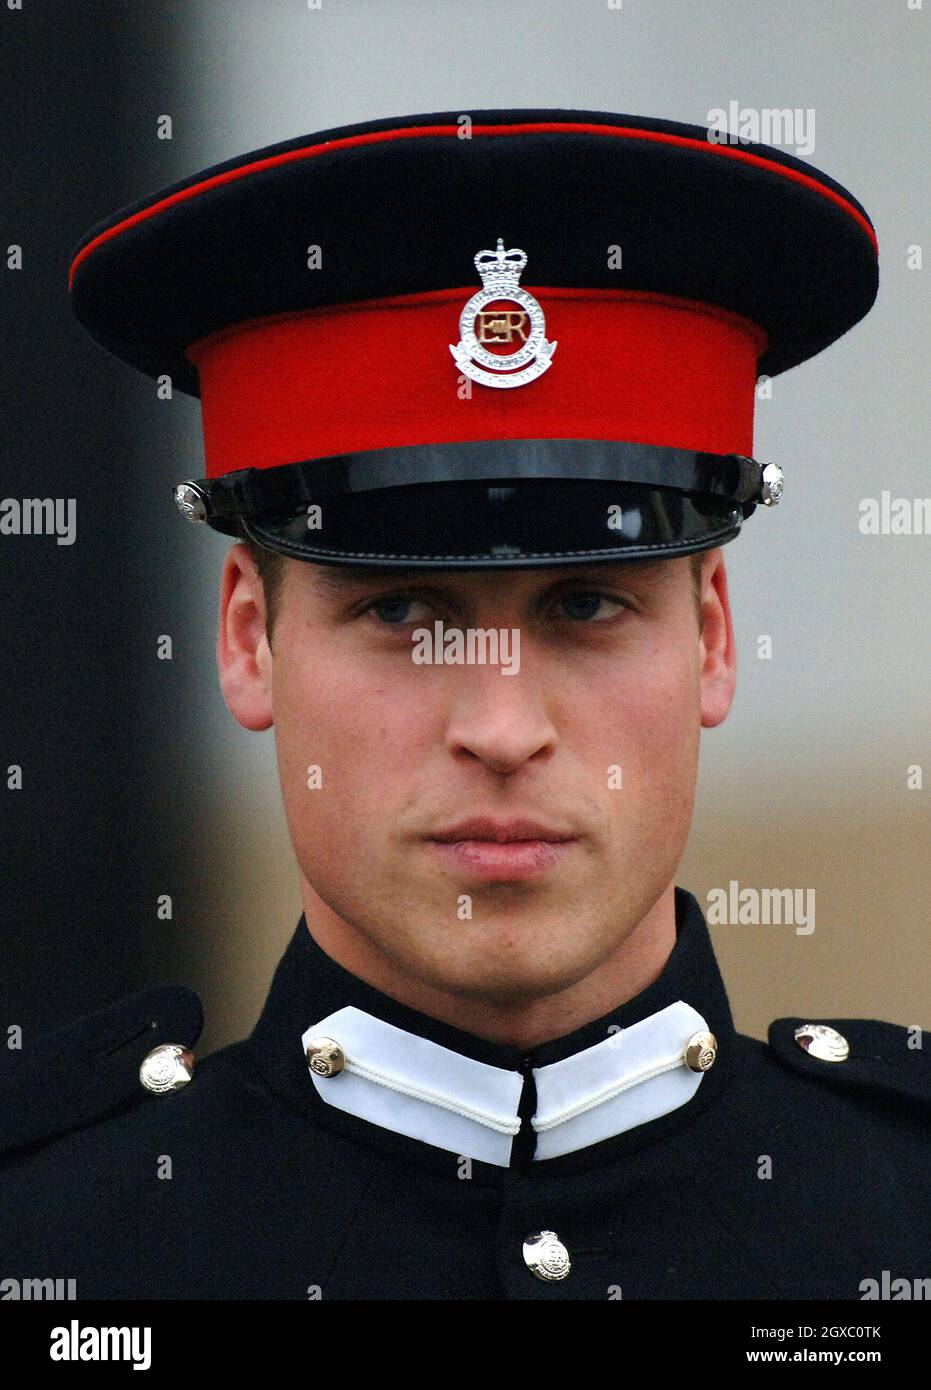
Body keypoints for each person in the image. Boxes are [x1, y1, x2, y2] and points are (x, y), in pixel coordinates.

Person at [3, 108, 927, 1301]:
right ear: (248, 639)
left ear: (709, 638)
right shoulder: (53, 1253)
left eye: (585, 606)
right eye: (398, 612)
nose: (500, 729)